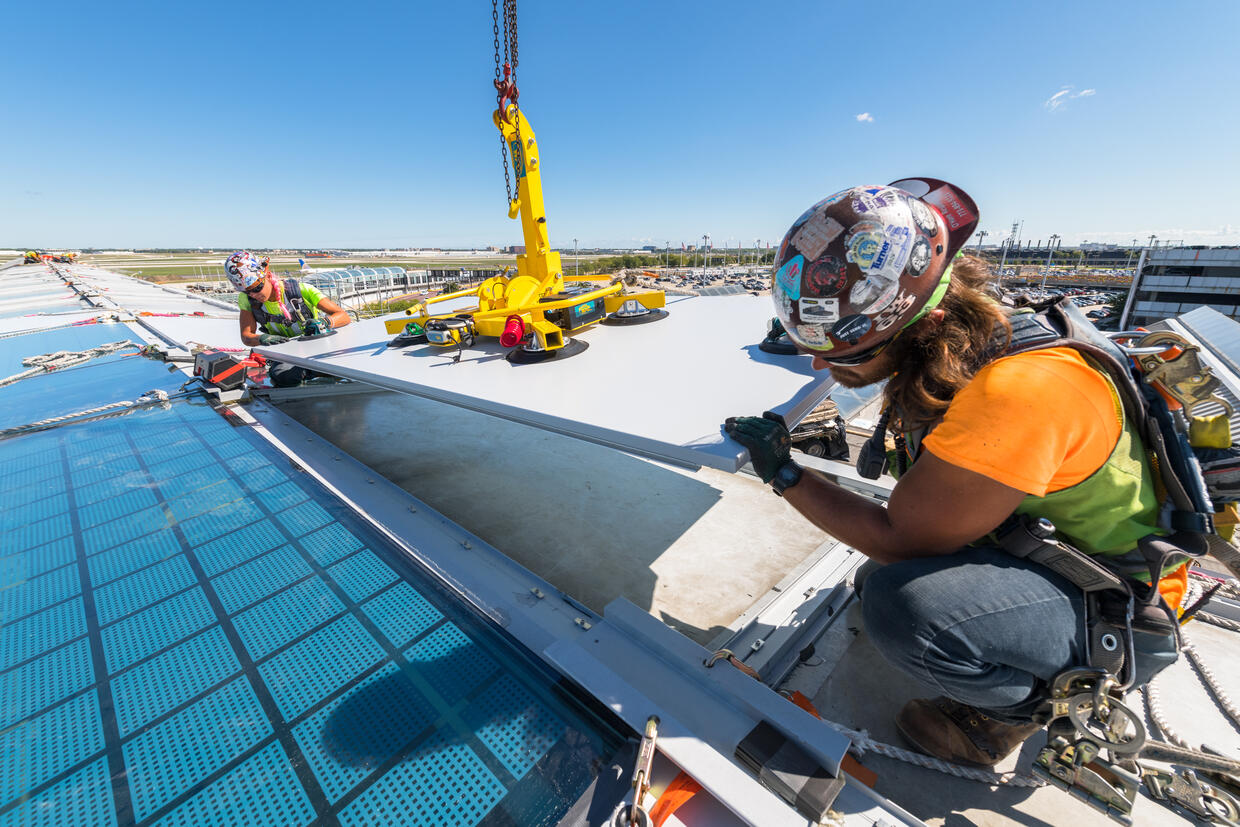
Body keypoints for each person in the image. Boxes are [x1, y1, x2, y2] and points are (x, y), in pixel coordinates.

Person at [726, 178, 1183, 768]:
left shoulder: (1015, 396)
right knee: (887, 581)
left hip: (1116, 603)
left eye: (844, 353)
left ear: (922, 323)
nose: (818, 364)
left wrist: (786, 473)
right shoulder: (976, 343)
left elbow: (898, 539)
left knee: (904, 607)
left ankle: (1013, 714)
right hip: (1062, 552)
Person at [225, 251, 351, 387]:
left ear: (267, 275)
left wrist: (326, 322)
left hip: (317, 347)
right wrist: (261, 339)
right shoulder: (247, 300)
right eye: (246, 291)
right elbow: (246, 336)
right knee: (283, 375)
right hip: (287, 354)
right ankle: (315, 372)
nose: (253, 295)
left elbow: (343, 316)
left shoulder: (301, 290)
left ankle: (320, 372)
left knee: (336, 367)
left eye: (257, 288)